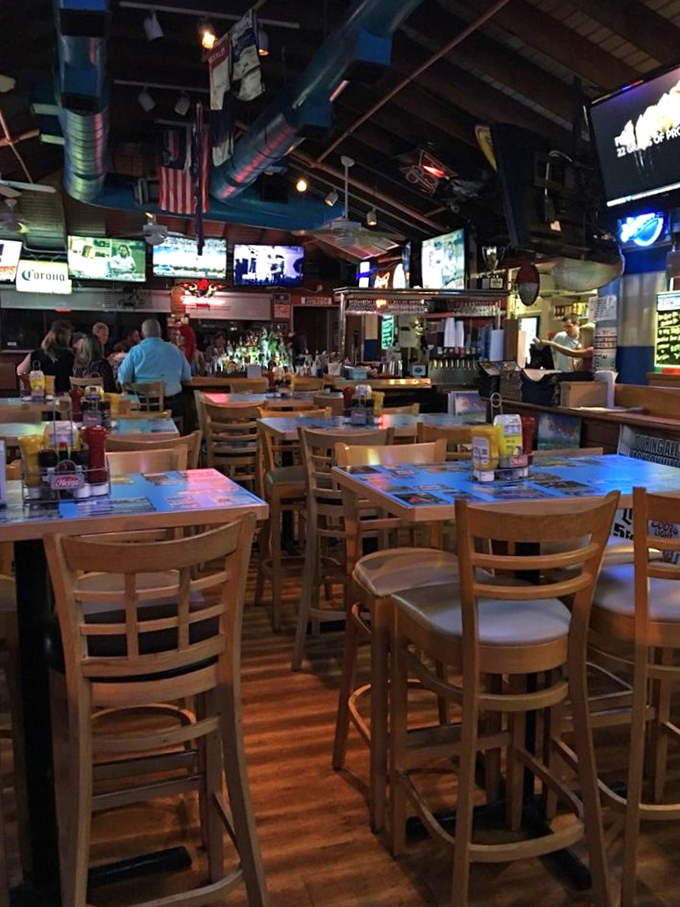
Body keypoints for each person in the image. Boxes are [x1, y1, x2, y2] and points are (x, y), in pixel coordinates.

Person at [117, 318, 190, 417]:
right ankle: (178, 431)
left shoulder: (135, 351)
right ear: (160, 332)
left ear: (142, 334)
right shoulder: (175, 350)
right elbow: (187, 376)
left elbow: (123, 378)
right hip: (171, 407)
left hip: (143, 407)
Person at [18, 320, 74, 394]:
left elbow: (21, 371)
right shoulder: (70, 355)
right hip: (64, 395)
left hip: (39, 394)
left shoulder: (35, 354)